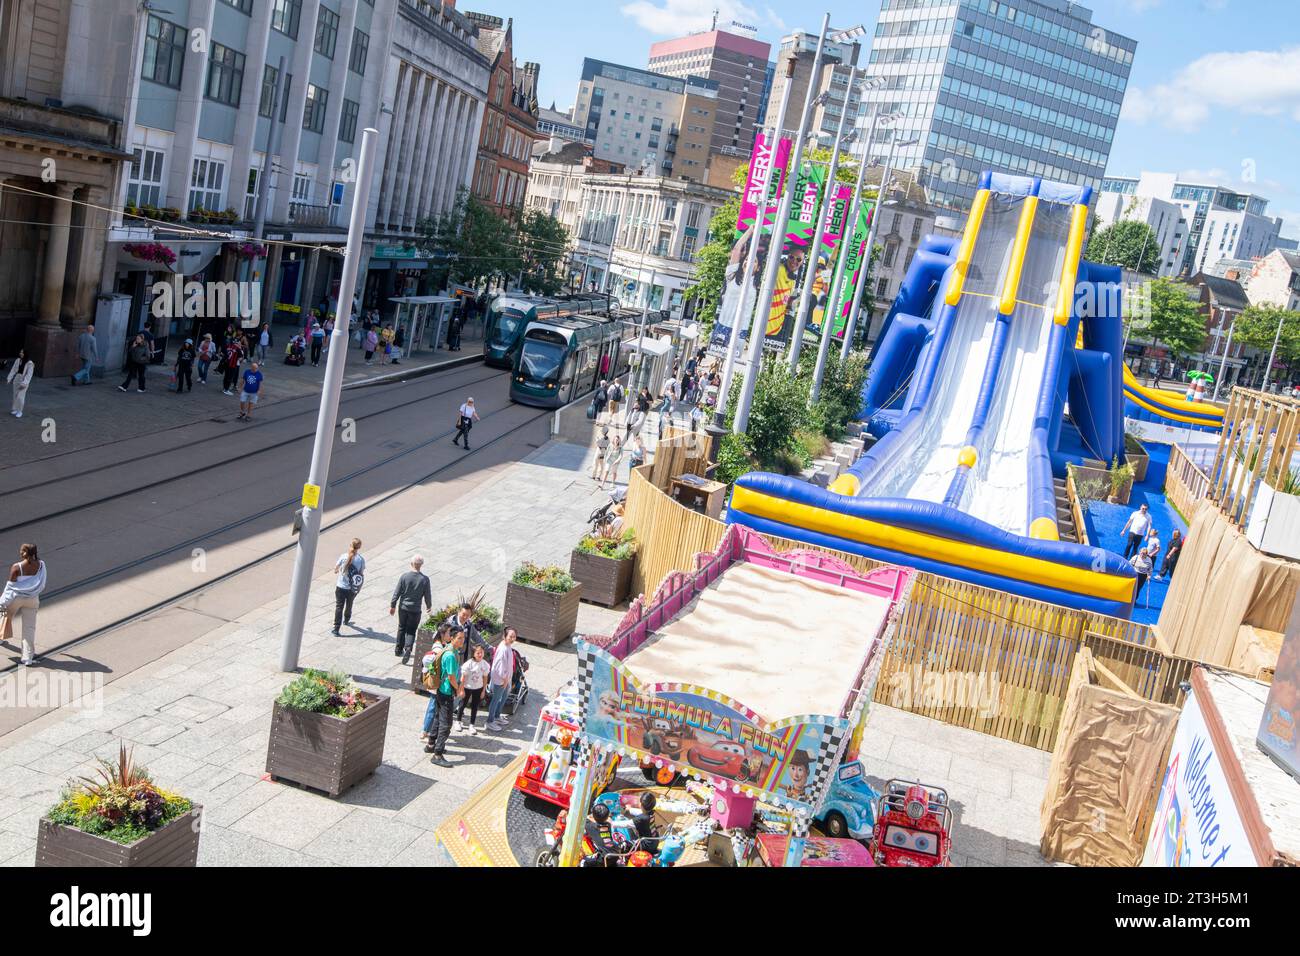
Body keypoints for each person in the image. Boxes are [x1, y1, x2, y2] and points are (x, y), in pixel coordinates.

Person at [0, 544, 45, 666]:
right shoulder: (41, 565)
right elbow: (42, 584)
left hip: (16, 599)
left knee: (3, 614)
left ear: (26, 553)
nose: (20, 552)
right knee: (29, 628)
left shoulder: (16, 567)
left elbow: (10, 589)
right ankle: (27, 658)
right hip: (32, 600)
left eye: (22, 550)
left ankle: (0, 637)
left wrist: (1, 603)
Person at [426, 627, 465, 763]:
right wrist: (459, 689)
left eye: (463, 637)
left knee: (437, 717)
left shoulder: (449, 648)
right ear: (452, 638)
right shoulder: (450, 655)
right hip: (446, 692)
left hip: (440, 690)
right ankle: (437, 754)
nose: (462, 640)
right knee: (446, 724)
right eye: (459, 638)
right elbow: (451, 677)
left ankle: (431, 744)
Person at [389, 555, 432, 663]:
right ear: (421, 565)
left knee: (401, 627)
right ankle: (408, 648)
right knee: (411, 631)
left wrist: (393, 605)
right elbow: (427, 595)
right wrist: (428, 606)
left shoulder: (404, 576)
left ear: (411, 563)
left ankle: (398, 649)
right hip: (415, 609)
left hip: (403, 607)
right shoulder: (425, 579)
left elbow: (397, 592)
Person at [420, 623, 451, 741]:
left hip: (437, 681)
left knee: (434, 705)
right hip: (437, 681)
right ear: (442, 634)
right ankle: (425, 730)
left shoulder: (441, 645)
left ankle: (427, 729)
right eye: (449, 633)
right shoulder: (438, 648)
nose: (450, 635)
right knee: (433, 706)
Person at [485, 626, 518, 731]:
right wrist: (504, 680)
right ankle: (490, 721)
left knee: (503, 697)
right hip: (500, 680)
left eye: (514, 636)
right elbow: (499, 667)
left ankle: (497, 716)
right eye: (510, 636)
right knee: (496, 699)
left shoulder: (507, 645)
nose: (512, 638)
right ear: (505, 636)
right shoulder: (503, 648)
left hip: (506, 679)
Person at [331, 538, 365, 635]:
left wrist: (338, 570)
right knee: (349, 604)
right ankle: (346, 619)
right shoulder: (361, 560)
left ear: (350, 545)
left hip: (341, 586)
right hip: (352, 588)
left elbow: (335, 569)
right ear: (359, 548)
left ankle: (336, 629)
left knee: (339, 606)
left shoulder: (343, 556)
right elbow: (361, 573)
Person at [582, 802, 630, 867]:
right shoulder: (608, 824)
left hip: (604, 859)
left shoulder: (590, 826)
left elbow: (584, 818)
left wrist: (590, 816)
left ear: (593, 816)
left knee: (583, 861)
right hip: (614, 855)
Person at [457, 643, 491, 734]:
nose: (480, 655)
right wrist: (461, 689)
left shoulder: (485, 665)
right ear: (473, 654)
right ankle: (458, 721)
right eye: (478, 653)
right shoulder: (468, 664)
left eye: (481, 652)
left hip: (478, 688)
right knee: (463, 704)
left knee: (475, 706)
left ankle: (472, 724)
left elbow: (485, 677)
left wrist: (484, 690)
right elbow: (463, 678)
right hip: (467, 687)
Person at [7, 350, 34, 417]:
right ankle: (15, 409)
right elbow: (13, 370)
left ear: (25, 354)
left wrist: (24, 383)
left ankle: (20, 411)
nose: (20, 353)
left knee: (20, 397)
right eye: (20, 352)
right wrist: (9, 378)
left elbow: (29, 375)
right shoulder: (18, 360)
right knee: (15, 395)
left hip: (24, 380)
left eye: (22, 352)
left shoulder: (30, 363)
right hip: (17, 378)